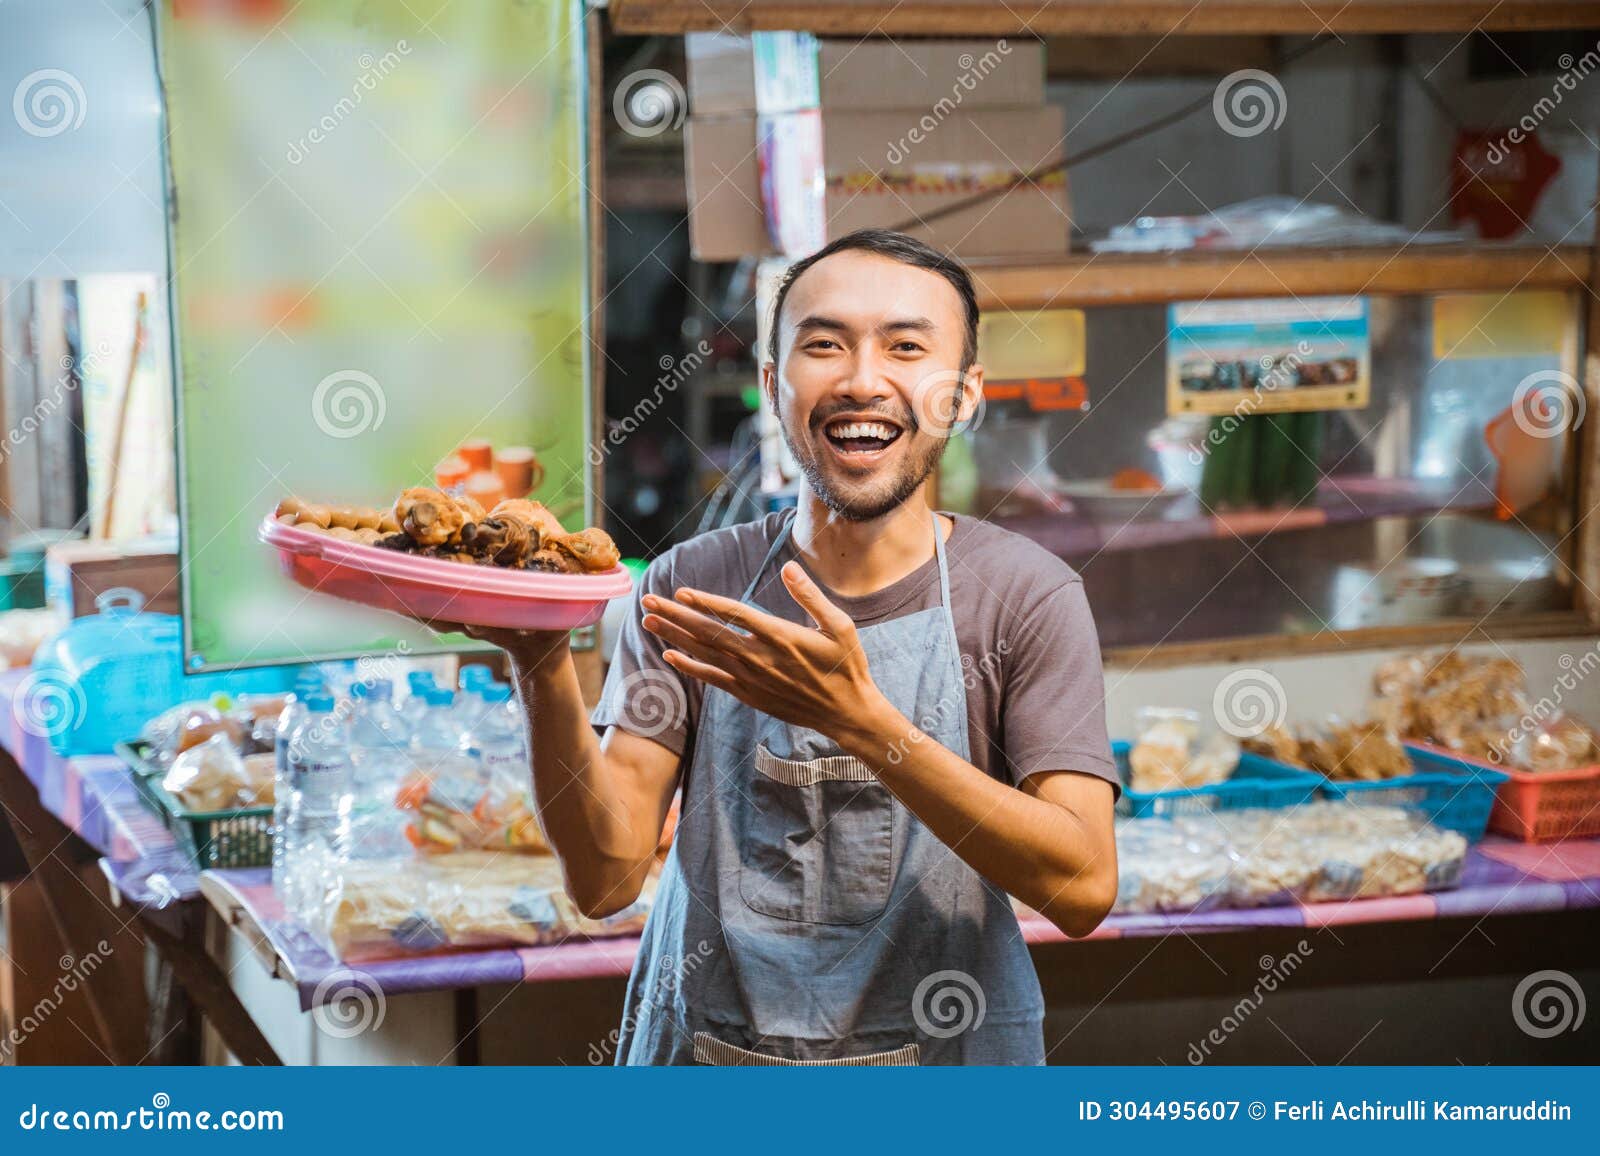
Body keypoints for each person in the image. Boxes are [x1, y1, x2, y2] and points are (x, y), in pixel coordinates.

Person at [453, 228, 1117, 1065]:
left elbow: (1084, 886)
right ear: (774, 385)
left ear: (964, 394)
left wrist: (866, 725)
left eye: (906, 347)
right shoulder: (692, 586)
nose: (863, 381)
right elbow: (606, 879)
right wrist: (541, 661)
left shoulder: (1026, 598)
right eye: (825, 346)